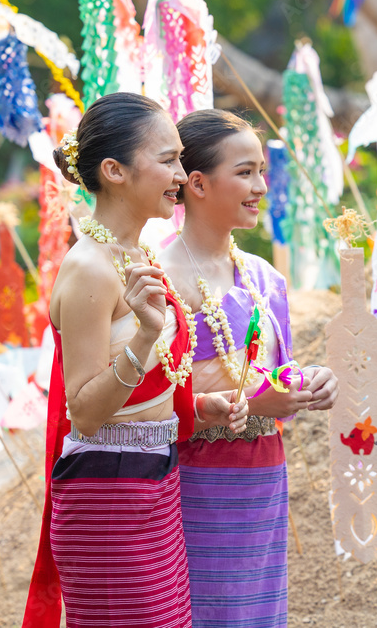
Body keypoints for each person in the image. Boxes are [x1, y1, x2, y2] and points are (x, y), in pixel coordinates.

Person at [24, 93, 249, 628]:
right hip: (108, 496)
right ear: (114, 170)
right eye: (168, 159)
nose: (181, 172)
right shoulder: (91, 269)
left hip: (153, 482)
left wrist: (194, 405)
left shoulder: (138, 255)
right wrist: (146, 336)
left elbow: (137, 391)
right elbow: (83, 413)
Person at [159, 108, 338, 627]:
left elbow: (270, 376)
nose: (260, 185)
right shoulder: (159, 277)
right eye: (244, 173)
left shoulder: (263, 277)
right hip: (196, 480)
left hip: (263, 474)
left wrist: (307, 383)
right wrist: (255, 401)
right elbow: (149, 399)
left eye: (261, 170)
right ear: (196, 183)